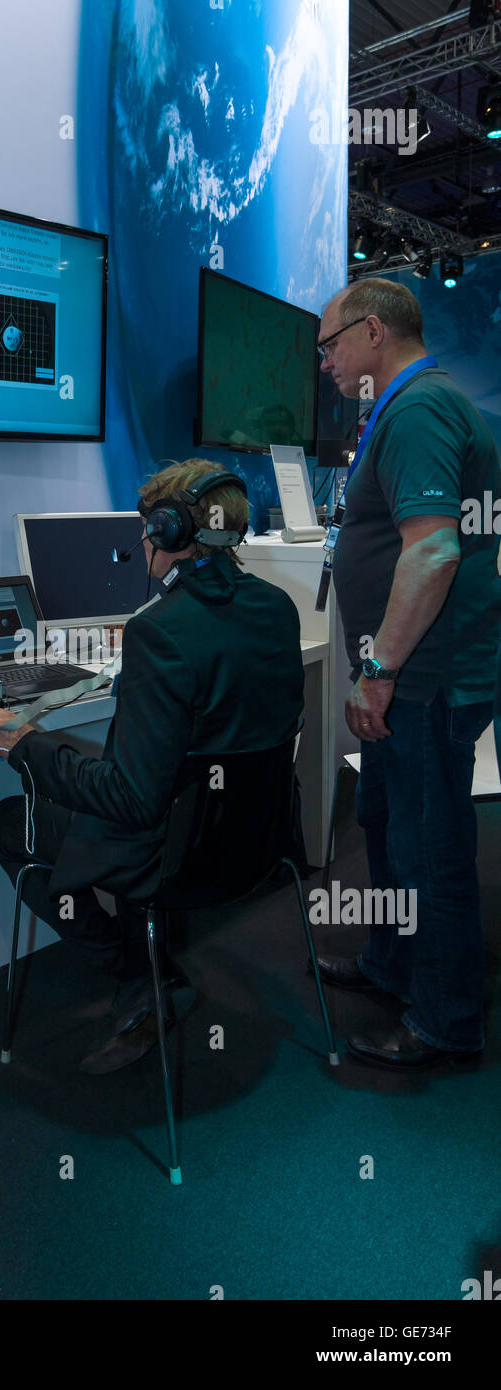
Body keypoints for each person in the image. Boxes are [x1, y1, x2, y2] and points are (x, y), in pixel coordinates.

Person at [0, 458, 305, 1074]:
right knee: (107, 771)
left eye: (150, 527)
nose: (144, 539)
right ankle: (147, 969)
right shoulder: (277, 607)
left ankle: (139, 976)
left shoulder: (161, 633)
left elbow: (131, 799)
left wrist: (27, 747)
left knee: (8, 821)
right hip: (260, 842)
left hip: (179, 859)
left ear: (172, 533)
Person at [318, 277, 501, 1069]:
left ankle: (445, 1020)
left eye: (329, 345)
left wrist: (380, 670)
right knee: (388, 829)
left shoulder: (420, 409)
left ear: (371, 333)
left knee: (431, 849)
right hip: (414, 674)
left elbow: (432, 551)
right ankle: (393, 965)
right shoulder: (414, 405)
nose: (324, 362)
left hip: (423, 677)